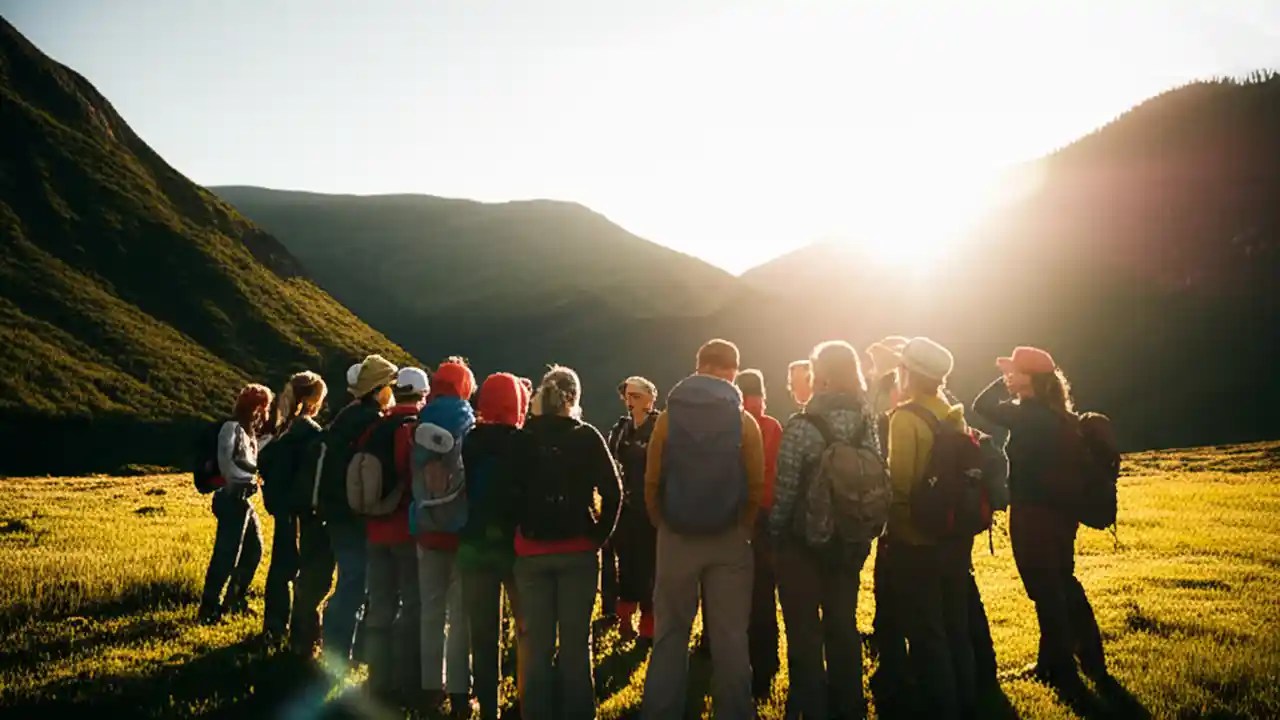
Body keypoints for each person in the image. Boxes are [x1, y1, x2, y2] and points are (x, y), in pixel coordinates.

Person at [642, 339, 765, 720]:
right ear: (732, 373)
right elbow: (756, 484)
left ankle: (661, 712)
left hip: (677, 534)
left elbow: (651, 480)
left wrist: (663, 522)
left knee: (670, 634)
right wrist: (741, 526)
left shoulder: (668, 416)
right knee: (730, 638)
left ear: (699, 367)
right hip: (728, 537)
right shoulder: (744, 422)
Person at [974, 346, 1106, 691]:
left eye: (1014, 372)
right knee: (1062, 582)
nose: (1008, 377)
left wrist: (1005, 387)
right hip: (1061, 514)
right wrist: (1013, 382)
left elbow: (980, 406)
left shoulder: (1028, 415)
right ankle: (1084, 657)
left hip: (1034, 513)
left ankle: (1061, 669)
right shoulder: (1057, 414)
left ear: (1032, 379)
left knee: (1046, 589)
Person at [769, 342, 882, 719]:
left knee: (803, 631)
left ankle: (808, 707)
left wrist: (774, 533)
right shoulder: (866, 421)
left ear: (824, 376)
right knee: (842, 625)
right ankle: (850, 706)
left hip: (802, 544)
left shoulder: (802, 425)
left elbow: (785, 489)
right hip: (850, 538)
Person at [514, 366, 622, 720]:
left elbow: (509, 491)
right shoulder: (587, 436)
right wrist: (597, 537)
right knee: (576, 646)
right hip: (578, 550)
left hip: (530, 552)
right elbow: (614, 491)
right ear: (575, 399)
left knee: (537, 646)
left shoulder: (524, 436)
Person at [882, 337, 975, 719]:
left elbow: (899, 485)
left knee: (926, 631)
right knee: (956, 624)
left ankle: (939, 707)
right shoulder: (953, 414)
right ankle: (967, 700)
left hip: (915, 540)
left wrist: (892, 530)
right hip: (954, 537)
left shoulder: (905, 418)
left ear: (909, 374)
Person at [459, 372, 532, 720]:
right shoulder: (524, 442)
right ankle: (525, 701)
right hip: (516, 547)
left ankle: (488, 704)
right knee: (526, 628)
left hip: (473, 545)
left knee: (483, 632)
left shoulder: (469, 441)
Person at [321, 355, 398, 666]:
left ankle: (340, 648)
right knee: (355, 581)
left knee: (352, 580)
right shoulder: (370, 422)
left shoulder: (348, 416)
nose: (392, 391)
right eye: (390, 386)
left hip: (337, 510)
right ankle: (338, 653)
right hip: (352, 513)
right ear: (378, 389)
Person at [414, 359, 477, 716]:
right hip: (460, 530)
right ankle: (459, 693)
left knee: (430, 611)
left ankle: (428, 687)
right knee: (460, 615)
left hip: (425, 527)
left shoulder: (421, 420)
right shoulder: (467, 420)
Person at [364, 367, 430, 706]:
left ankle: (377, 677)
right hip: (406, 528)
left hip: (375, 528)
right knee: (412, 605)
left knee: (380, 603)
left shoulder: (377, 425)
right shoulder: (414, 430)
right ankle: (409, 679)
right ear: (422, 394)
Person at [259, 371, 331, 645]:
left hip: (282, 508)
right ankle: (303, 633)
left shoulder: (283, 429)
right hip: (302, 510)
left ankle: (273, 626)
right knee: (307, 570)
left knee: (280, 568)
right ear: (312, 400)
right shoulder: (310, 432)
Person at [198, 383, 273, 624]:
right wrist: (240, 482)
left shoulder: (247, 431)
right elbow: (226, 459)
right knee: (226, 554)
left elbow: (247, 459)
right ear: (258, 407)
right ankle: (210, 608)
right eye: (264, 407)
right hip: (232, 498)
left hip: (241, 499)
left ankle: (233, 599)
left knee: (254, 549)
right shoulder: (231, 428)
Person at [734, 369, 783, 699]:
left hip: (736, 518)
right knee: (764, 593)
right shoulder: (772, 426)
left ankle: (735, 660)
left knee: (733, 595)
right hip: (766, 517)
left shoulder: (732, 424)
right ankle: (767, 662)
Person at [605, 376, 661, 643]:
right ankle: (624, 619)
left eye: (636, 397)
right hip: (625, 507)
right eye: (627, 397)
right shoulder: (621, 429)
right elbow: (611, 461)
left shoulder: (659, 427)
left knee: (651, 566)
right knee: (626, 565)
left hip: (650, 507)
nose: (630, 403)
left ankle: (648, 623)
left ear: (650, 398)